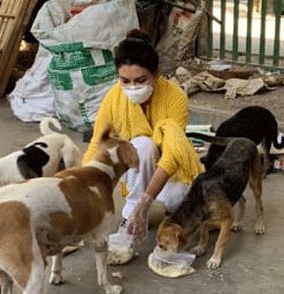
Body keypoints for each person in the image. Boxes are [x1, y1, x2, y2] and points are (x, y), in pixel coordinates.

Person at [82, 29, 203, 256]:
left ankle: (142, 207)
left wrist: (147, 201)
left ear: (156, 74)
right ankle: (130, 217)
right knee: (142, 145)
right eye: (124, 81)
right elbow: (96, 145)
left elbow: (172, 154)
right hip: (135, 169)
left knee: (182, 202)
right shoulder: (113, 98)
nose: (132, 87)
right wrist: (78, 189)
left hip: (169, 172)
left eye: (140, 80)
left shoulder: (175, 97)